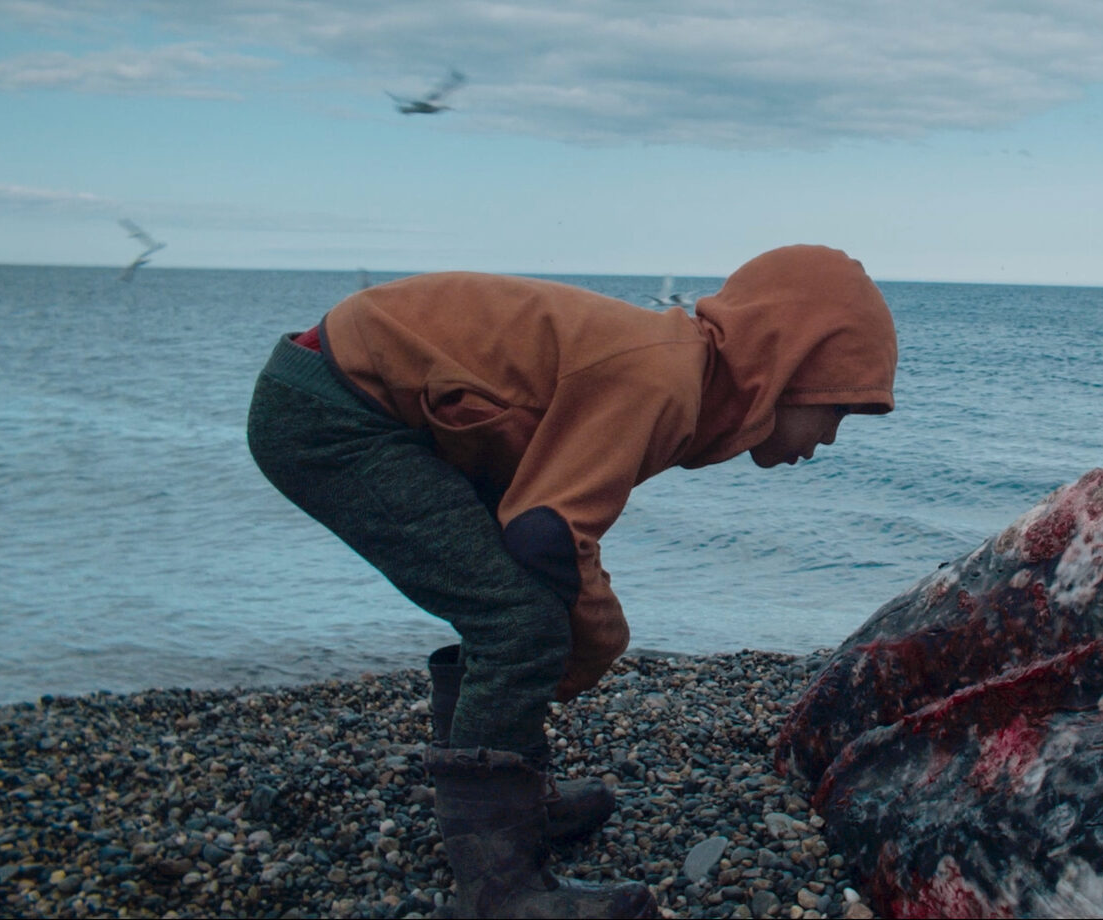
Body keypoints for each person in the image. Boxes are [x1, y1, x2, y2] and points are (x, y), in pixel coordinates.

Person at [245, 245, 898, 918]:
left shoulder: (678, 372)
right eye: (838, 410)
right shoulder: (664, 379)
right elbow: (546, 534)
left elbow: (541, 517)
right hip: (331, 413)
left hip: (357, 393)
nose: (830, 438)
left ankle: (506, 805)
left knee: (511, 604)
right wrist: (598, 641)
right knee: (517, 622)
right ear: (790, 365)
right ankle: (499, 887)